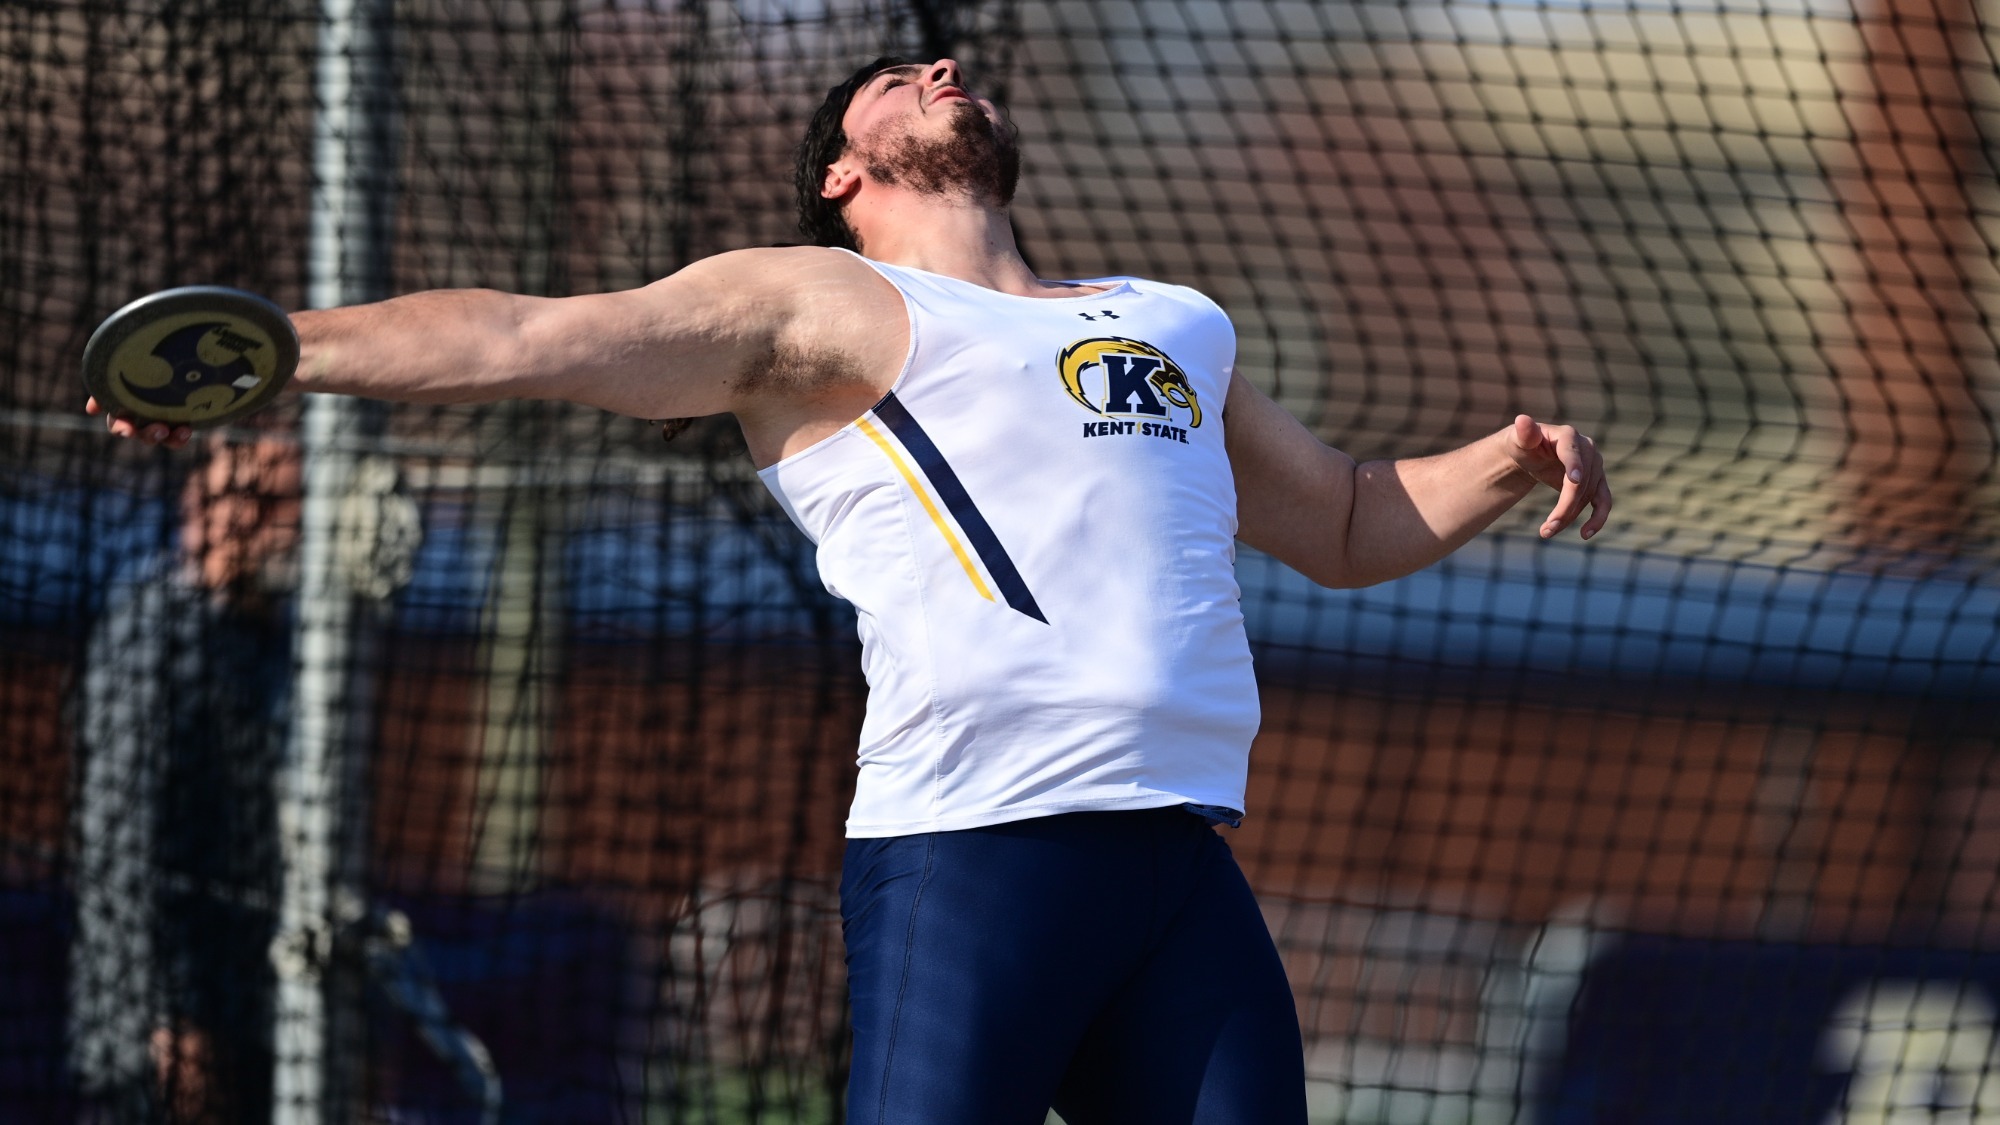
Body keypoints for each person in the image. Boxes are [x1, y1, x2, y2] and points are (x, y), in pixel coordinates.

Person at [91, 56, 1611, 1125]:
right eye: (898, 78)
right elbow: (519, 336)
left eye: (947, 67)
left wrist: (1505, 460)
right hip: (977, 855)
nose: (944, 67)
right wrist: (276, 347)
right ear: (843, 173)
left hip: (1178, 865)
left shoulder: (1172, 321)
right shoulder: (820, 303)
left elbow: (1341, 521)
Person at [70, 437, 299, 1124]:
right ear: (218, 510)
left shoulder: (280, 640)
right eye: (280, 501)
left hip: (262, 1020)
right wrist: (169, 1016)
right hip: (163, 1040)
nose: (296, 524)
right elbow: (122, 841)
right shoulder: (154, 631)